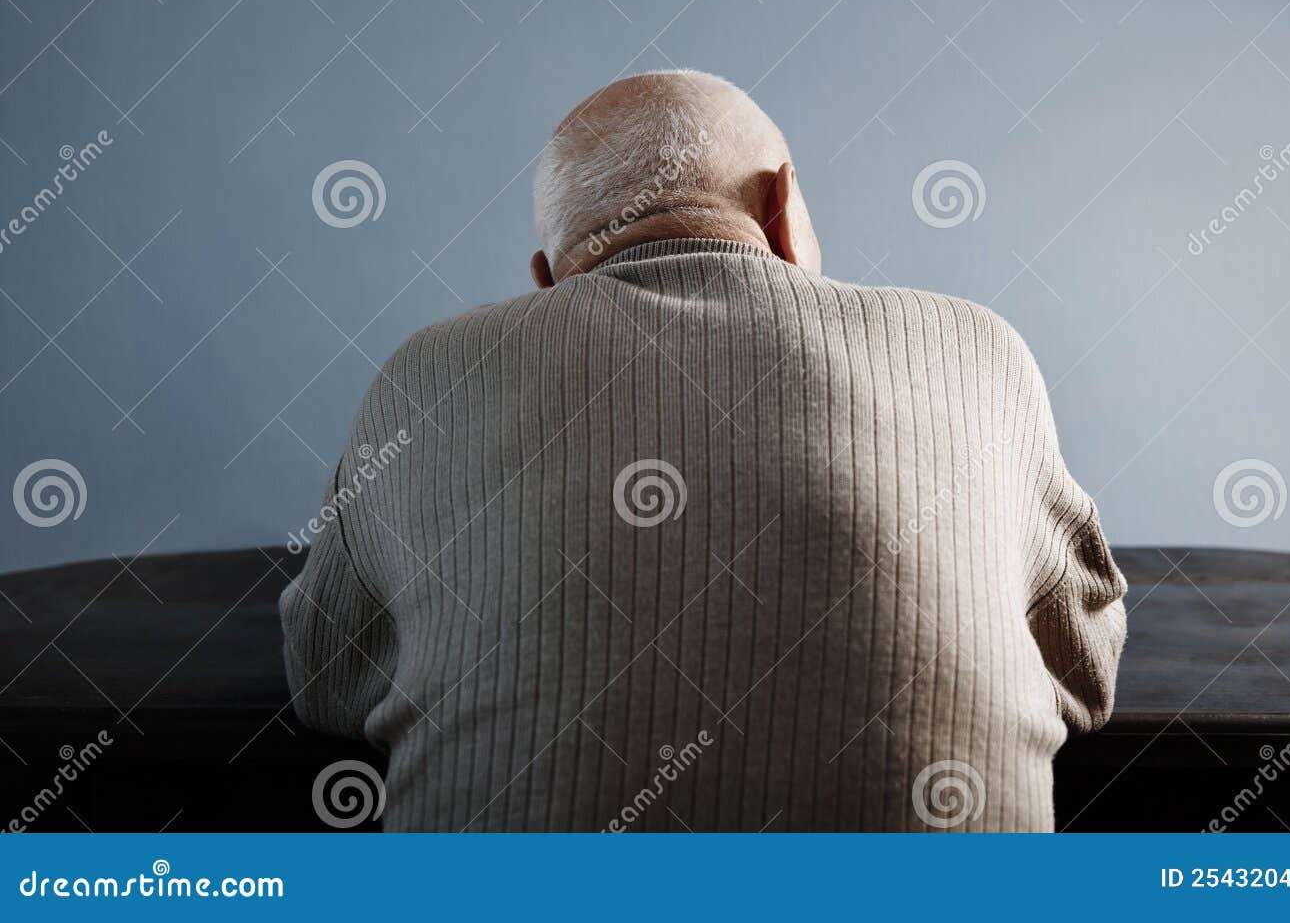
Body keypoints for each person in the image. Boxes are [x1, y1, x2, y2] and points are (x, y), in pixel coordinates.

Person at [279, 70, 1126, 831]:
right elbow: (1083, 670)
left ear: (548, 278)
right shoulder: (972, 349)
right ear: (782, 208)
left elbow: (329, 678)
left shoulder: (425, 375)